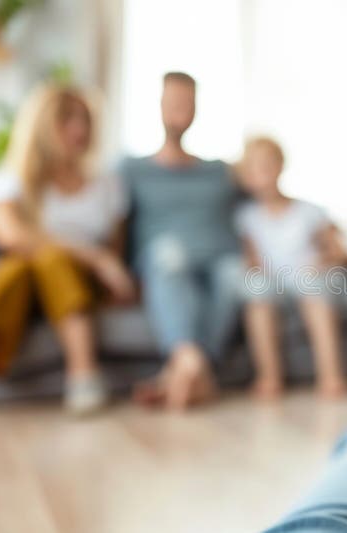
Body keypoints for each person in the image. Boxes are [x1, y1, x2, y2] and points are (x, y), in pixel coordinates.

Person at [0, 84, 133, 414]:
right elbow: (12, 237)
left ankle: (83, 373)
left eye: (85, 120)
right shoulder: (13, 178)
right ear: (44, 124)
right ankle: (83, 377)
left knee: (49, 260)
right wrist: (93, 255)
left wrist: (102, 262)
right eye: (68, 119)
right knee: (30, 264)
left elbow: (116, 251)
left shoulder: (107, 184)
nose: (80, 129)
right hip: (26, 286)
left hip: (86, 286)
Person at [120, 72, 242, 410]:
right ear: (159, 106)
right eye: (173, 102)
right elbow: (111, 221)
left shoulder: (220, 171)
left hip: (219, 258)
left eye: (187, 104)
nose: (179, 111)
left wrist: (326, 227)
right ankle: (191, 363)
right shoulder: (132, 168)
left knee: (236, 273)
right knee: (169, 255)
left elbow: (270, 194)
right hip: (165, 260)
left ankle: (180, 374)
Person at [236, 137, 347, 400]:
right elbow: (251, 261)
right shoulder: (247, 218)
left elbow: (340, 252)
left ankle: (331, 376)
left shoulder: (308, 211)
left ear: (280, 166)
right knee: (258, 302)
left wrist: (323, 263)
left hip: (310, 279)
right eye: (253, 167)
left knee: (314, 294)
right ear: (245, 177)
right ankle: (269, 377)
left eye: (267, 163)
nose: (262, 171)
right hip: (273, 283)